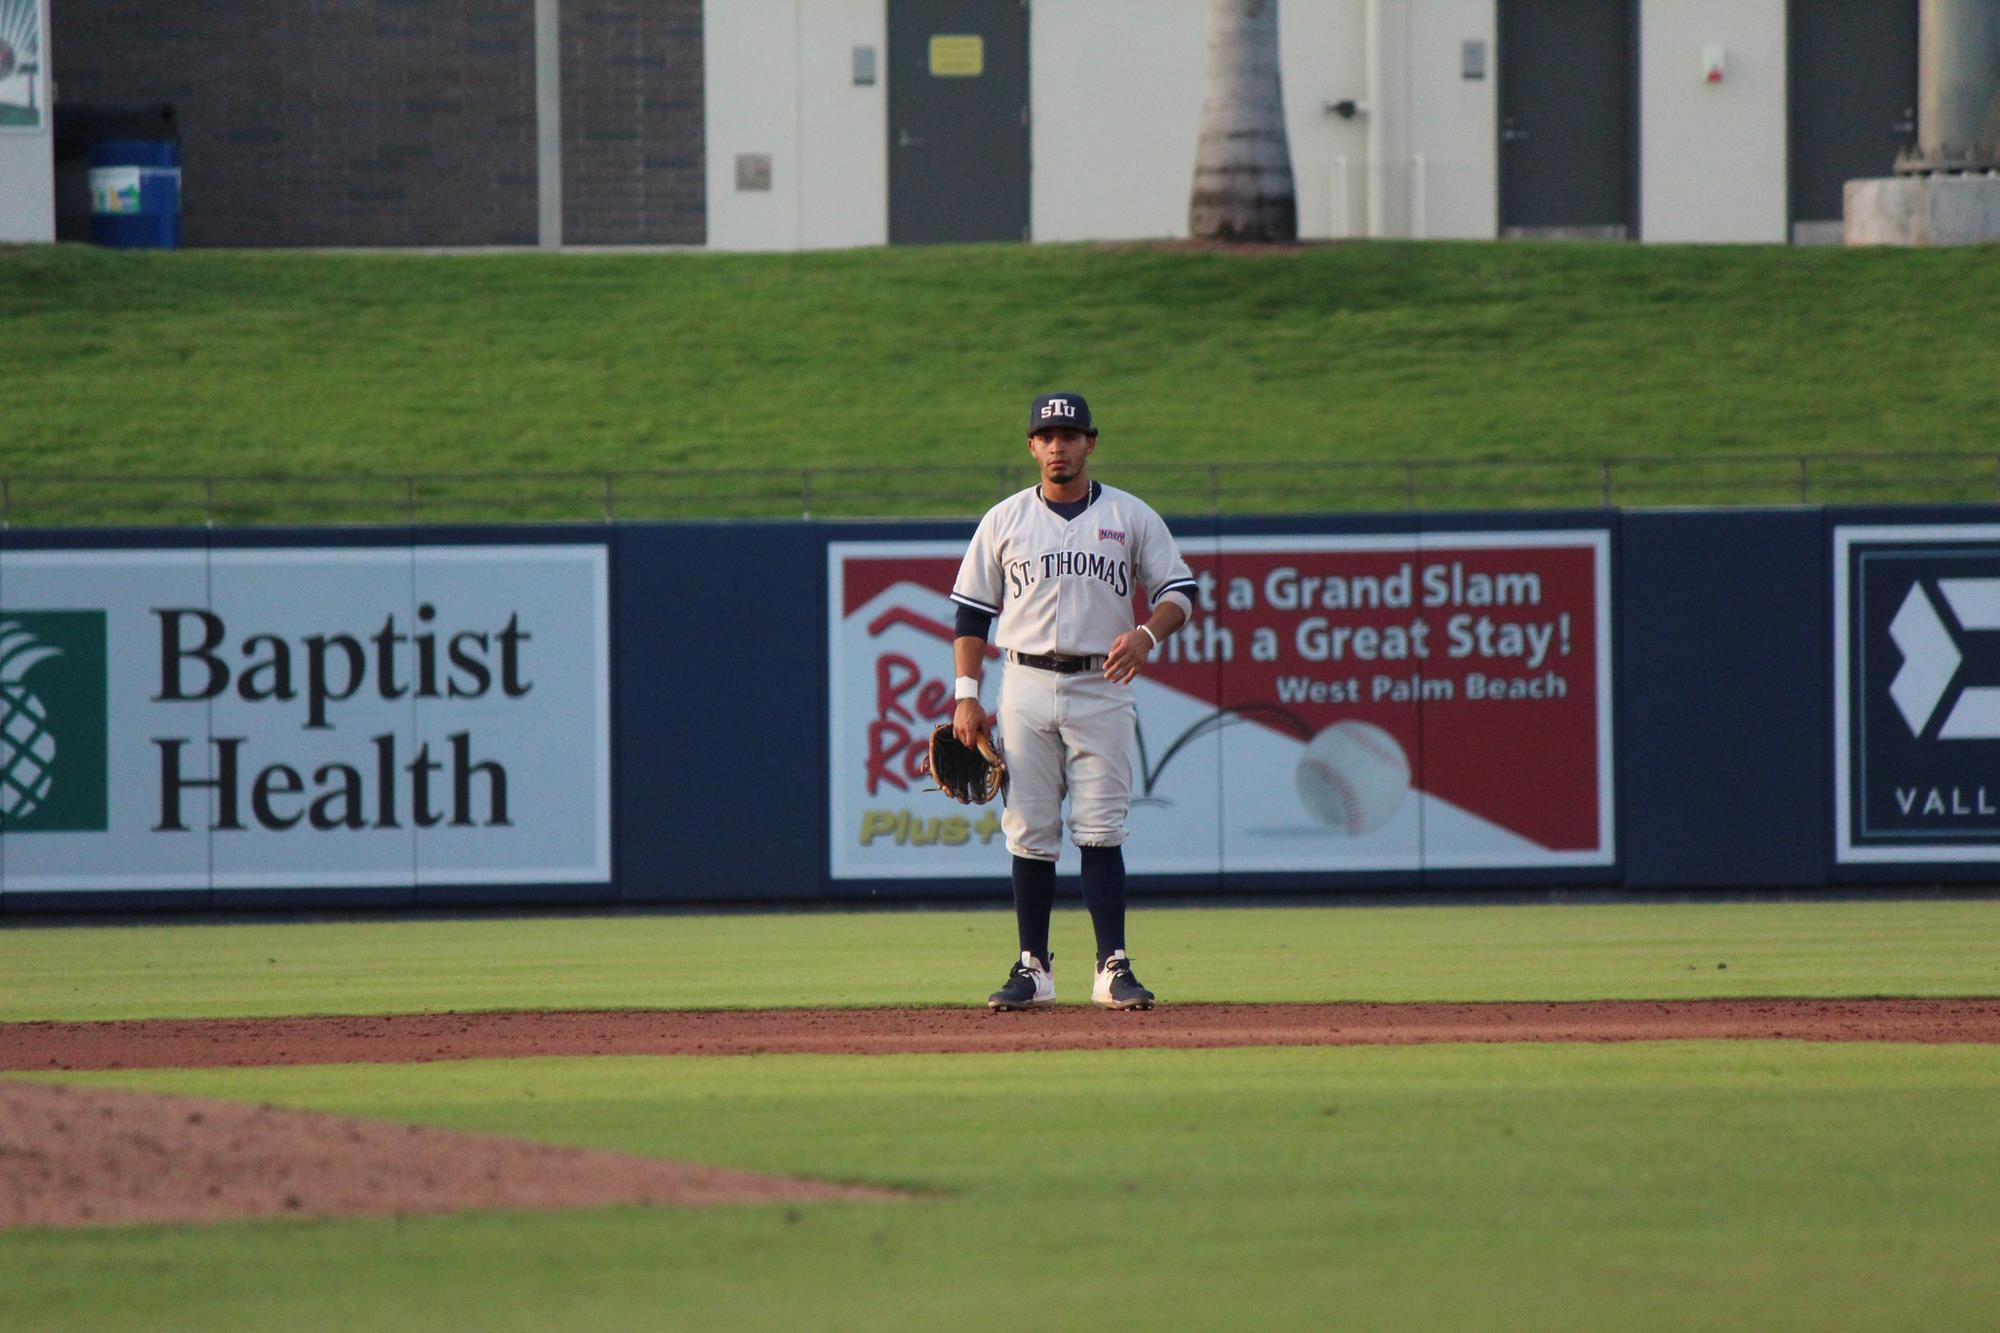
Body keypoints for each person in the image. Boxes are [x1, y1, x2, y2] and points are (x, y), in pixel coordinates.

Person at [948, 392, 1199, 1011]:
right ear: (1032, 446)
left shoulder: (1130, 515)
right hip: (1025, 684)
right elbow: (971, 614)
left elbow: (1181, 590)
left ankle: (1112, 967)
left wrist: (1146, 634)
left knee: (1101, 828)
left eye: (1070, 434)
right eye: (1047, 436)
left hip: (1102, 684)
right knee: (1029, 831)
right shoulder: (1004, 519)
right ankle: (1033, 968)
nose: (1058, 446)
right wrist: (966, 696)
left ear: (1091, 442)